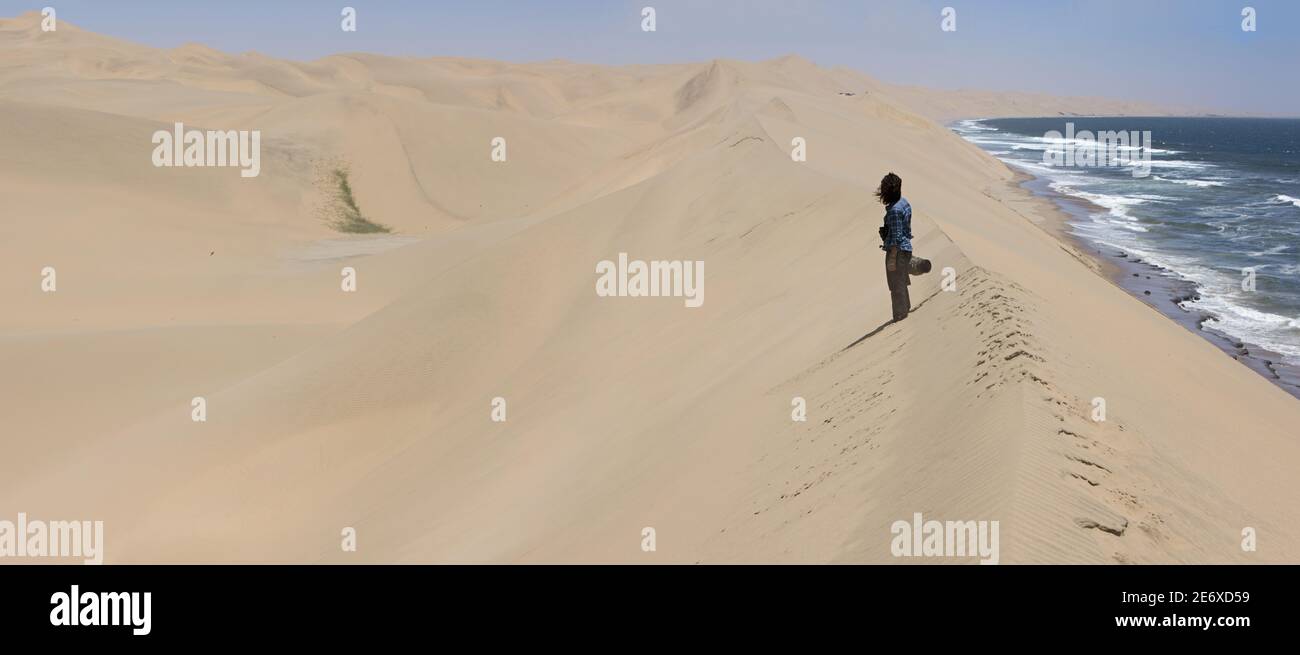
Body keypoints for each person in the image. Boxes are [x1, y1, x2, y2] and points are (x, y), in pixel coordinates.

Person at [876, 172, 913, 322]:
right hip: (906, 248)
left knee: (895, 285)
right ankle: (906, 309)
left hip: (897, 252)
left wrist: (892, 257)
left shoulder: (894, 211)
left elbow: (897, 237)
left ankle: (900, 315)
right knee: (901, 282)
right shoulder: (904, 203)